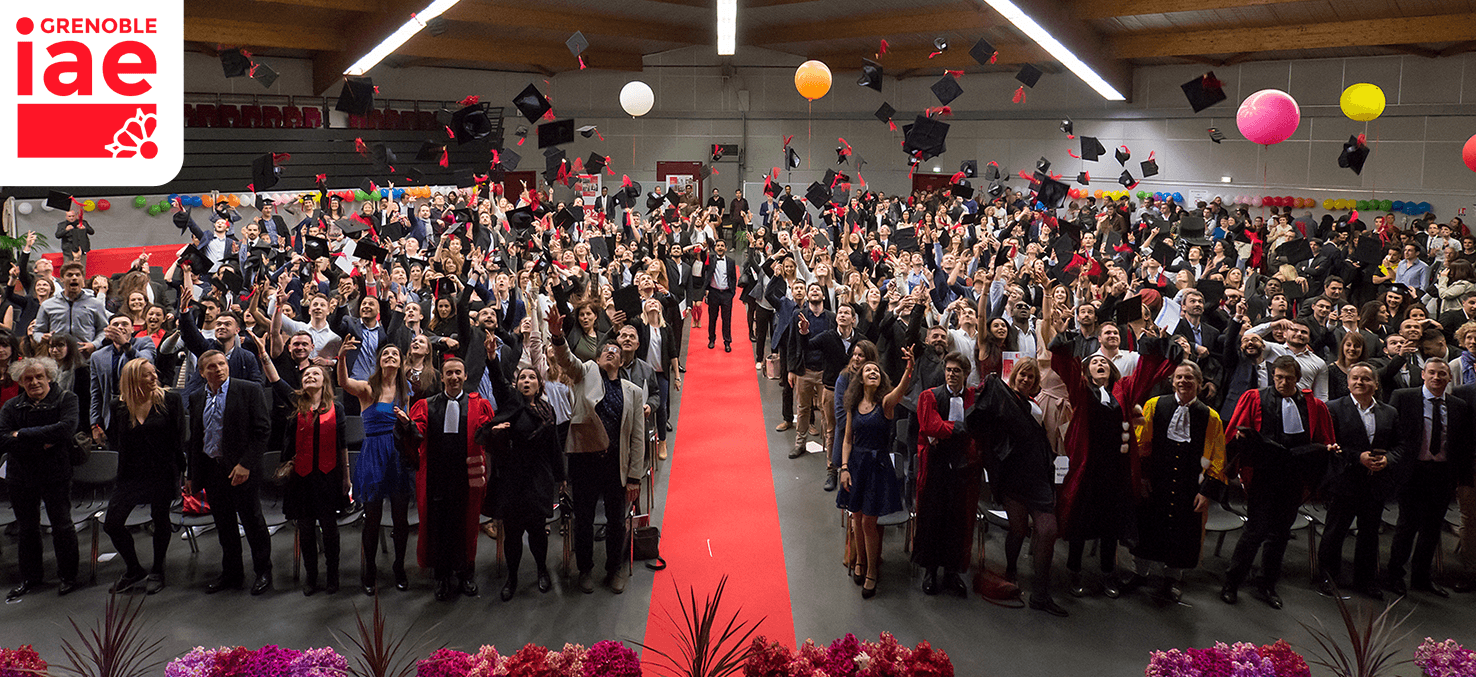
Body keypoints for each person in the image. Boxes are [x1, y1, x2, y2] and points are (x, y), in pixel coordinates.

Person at [1221, 356, 1335, 609]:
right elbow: (1236, 431)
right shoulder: (1255, 398)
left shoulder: (1312, 405)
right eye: (1279, 377)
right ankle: (1232, 582)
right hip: (1263, 474)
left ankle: (1267, 584)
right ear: (1273, 376)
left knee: (1281, 534)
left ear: (1298, 379)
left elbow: (1322, 438)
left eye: (1289, 378)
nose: (1283, 382)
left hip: (1294, 476)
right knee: (1254, 531)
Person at [549, 308, 646, 594]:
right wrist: (557, 336)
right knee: (584, 520)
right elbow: (567, 361)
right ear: (598, 357)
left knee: (616, 522)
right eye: (605, 350)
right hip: (585, 461)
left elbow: (637, 438)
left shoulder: (633, 391)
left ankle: (614, 569)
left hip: (616, 464)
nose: (610, 352)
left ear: (622, 361)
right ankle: (585, 570)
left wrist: (635, 477)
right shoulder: (587, 372)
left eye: (615, 351)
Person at [967, 358, 1066, 616]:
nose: (1026, 379)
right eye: (1022, 374)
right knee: (1018, 529)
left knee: (1048, 530)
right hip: (1013, 477)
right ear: (1015, 376)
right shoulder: (1003, 400)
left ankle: (1041, 593)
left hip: (1038, 477)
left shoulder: (1035, 406)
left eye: (1031, 377)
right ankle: (1011, 570)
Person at [1125, 361, 1227, 602]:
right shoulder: (1154, 405)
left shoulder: (1211, 417)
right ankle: (1140, 574)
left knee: (1181, 534)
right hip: (1155, 482)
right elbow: (1141, 444)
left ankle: (1171, 580)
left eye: (1189, 378)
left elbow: (1217, 457)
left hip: (1189, 486)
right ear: (1172, 382)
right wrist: (1142, 477)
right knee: (1147, 527)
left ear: (1199, 384)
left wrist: (1205, 491)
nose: (1183, 381)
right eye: (1178, 377)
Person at [403, 356, 492, 601]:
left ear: (465, 376)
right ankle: (442, 576)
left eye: (458, 373)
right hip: (436, 476)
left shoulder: (478, 405)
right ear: (441, 377)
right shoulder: (426, 405)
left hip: (466, 476)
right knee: (438, 526)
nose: (454, 377)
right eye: (449, 373)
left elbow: (486, 433)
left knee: (466, 526)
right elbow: (417, 432)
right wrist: (408, 426)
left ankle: (465, 573)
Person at [1384, 358, 1472, 597]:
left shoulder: (1458, 406)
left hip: (1442, 473)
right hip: (1412, 471)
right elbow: (1391, 434)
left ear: (1449, 377)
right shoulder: (1403, 397)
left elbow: (1462, 445)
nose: (1436, 377)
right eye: (1431, 373)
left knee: (1432, 529)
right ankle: (1394, 575)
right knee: (1407, 526)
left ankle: (1421, 577)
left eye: (1442, 374)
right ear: (1423, 374)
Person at [264, 351, 347, 597]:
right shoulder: (296, 404)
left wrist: (346, 477)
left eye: (315, 374)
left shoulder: (337, 408)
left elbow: (342, 445)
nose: (310, 376)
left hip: (328, 477)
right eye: (306, 374)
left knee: (330, 530)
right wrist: (264, 356)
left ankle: (333, 575)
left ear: (324, 381)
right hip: (301, 478)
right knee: (306, 530)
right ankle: (311, 576)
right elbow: (276, 381)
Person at [481, 361, 565, 601]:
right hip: (512, 477)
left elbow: (554, 446)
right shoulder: (511, 405)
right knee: (513, 533)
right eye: (522, 378)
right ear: (516, 384)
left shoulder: (547, 410)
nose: (527, 381)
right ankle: (512, 577)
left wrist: (561, 477)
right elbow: (498, 382)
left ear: (539, 385)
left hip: (539, 477)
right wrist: (492, 360)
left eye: (531, 378)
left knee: (538, 530)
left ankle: (542, 570)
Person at [337, 339, 414, 596]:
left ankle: (399, 567)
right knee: (372, 518)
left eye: (395, 354)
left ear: (401, 362)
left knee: (401, 519)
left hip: (397, 455)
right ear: (379, 361)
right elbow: (344, 383)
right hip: (374, 454)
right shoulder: (368, 388)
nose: (390, 356)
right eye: (385, 353)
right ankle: (369, 569)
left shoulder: (406, 390)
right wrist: (341, 358)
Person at [101, 358, 184, 595]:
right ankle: (134, 569)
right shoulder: (118, 406)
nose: (154, 377)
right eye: (147, 374)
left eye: (154, 372)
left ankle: (158, 570)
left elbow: (179, 438)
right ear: (133, 380)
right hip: (130, 474)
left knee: (161, 519)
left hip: (162, 470)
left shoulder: (170, 400)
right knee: (112, 524)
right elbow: (115, 440)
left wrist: (181, 472)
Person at [0, 356, 81, 601]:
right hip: (20, 476)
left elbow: (65, 429)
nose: (34, 382)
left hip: (55, 473)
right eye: (28, 379)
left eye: (39, 377)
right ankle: (30, 578)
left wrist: (21, 434)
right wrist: (41, 443)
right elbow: (2, 438)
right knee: (27, 529)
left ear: (49, 377)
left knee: (62, 526)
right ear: (21, 382)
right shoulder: (11, 406)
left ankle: (68, 576)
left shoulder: (67, 398)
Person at [1318, 362, 1398, 600]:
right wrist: (1357, 457)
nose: (1360, 382)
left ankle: (1365, 580)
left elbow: (1400, 445)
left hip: (1375, 483)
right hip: (1345, 481)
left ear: (1376, 384)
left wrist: (1388, 459)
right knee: (1335, 532)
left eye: (1366, 378)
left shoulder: (1389, 412)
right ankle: (1328, 578)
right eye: (1355, 378)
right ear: (1348, 383)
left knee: (1369, 534)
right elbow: (1329, 445)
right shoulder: (1333, 408)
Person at [839, 351, 912, 599]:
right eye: (868, 370)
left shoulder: (886, 404)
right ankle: (859, 561)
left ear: (881, 380)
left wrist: (909, 369)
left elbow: (901, 390)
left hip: (877, 466)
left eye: (876, 371)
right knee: (856, 518)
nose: (873, 372)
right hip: (856, 465)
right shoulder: (853, 405)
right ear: (860, 378)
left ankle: (871, 571)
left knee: (869, 523)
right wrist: (844, 468)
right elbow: (847, 440)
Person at [913, 350, 980, 598]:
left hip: (963, 468)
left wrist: (946, 430)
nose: (951, 374)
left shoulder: (973, 397)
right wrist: (959, 428)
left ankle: (952, 572)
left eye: (957, 371)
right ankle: (930, 571)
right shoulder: (929, 396)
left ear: (966, 374)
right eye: (949, 370)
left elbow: (977, 429)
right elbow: (930, 426)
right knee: (933, 517)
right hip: (936, 466)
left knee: (957, 520)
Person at [89, 314, 158, 445]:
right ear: (108, 330)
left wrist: (126, 345)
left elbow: (145, 364)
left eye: (125, 324)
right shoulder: (97, 356)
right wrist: (95, 424)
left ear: (132, 329)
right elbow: (96, 393)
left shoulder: (145, 343)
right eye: (115, 325)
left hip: (141, 412)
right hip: (112, 416)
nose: (120, 327)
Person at [702, 240, 739, 352]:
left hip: (726, 294)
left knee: (726, 319)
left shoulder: (731, 261)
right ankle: (711, 340)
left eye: (722, 246)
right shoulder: (711, 259)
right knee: (712, 318)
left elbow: (733, 277)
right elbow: (703, 259)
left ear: (726, 248)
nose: (720, 247)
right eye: (718, 245)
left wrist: (732, 292)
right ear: (715, 248)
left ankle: (727, 342)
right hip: (713, 293)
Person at [54, 207, 94, 271]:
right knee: (67, 268)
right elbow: (57, 235)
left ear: (76, 216)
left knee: (81, 268)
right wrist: (66, 230)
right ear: (66, 217)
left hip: (81, 249)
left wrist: (85, 228)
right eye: (69, 216)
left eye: (73, 216)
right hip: (68, 250)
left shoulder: (83, 222)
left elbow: (92, 232)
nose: (71, 218)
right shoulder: (62, 225)